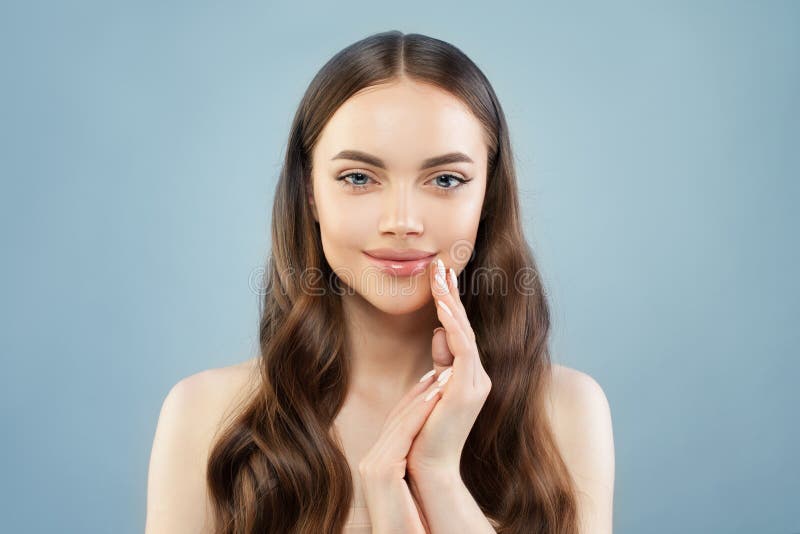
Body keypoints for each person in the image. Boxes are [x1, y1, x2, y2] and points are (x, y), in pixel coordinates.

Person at [145, 30, 615, 534]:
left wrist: (436, 477)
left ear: (488, 197)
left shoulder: (566, 412)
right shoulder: (205, 416)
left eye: (446, 180)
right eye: (358, 178)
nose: (402, 221)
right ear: (309, 192)